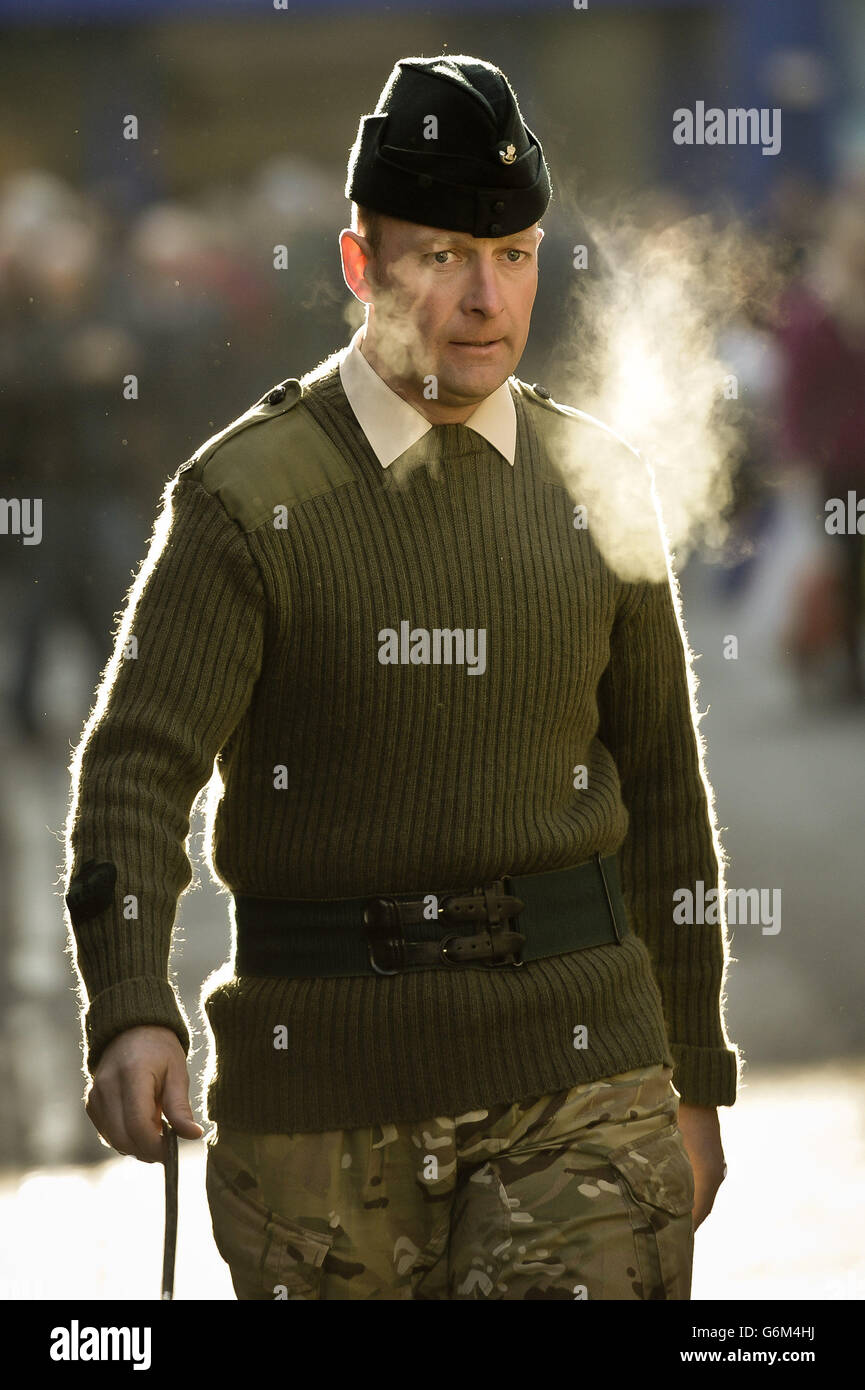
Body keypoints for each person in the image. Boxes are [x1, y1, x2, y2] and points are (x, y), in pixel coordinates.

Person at [64, 54, 738, 1301]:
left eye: (515, 254)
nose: (486, 298)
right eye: (441, 255)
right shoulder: (244, 501)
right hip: (312, 1113)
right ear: (359, 265)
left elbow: (667, 805)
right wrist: (130, 1005)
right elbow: (135, 773)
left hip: (582, 1092)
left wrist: (691, 1074)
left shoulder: (601, 486)